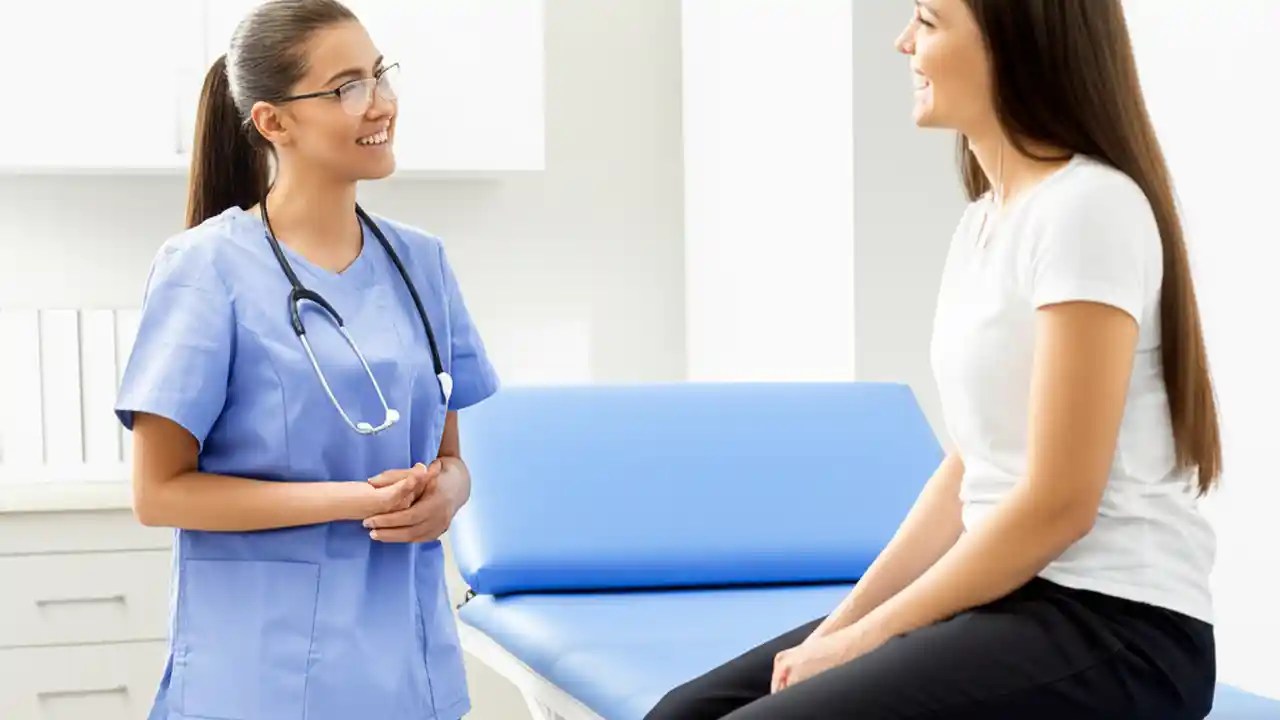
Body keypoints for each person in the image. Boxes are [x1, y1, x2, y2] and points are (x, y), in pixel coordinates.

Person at [646, 1, 1221, 718]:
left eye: (927, 20)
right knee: (683, 713)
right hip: (1012, 600)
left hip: (1115, 626)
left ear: (1014, 42)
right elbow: (970, 466)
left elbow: (1059, 505)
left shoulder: (1090, 209)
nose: (903, 42)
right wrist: (841, 628)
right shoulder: (986, 221)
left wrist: (867, 642)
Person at [113, 1, 498, 718]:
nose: (380, 103)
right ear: (273, 122)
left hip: (408, 668)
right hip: (265, 673)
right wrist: (355, 501)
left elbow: (449, 457)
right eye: (347, 86)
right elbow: (159, 492)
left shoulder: (421, 263)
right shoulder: (206, 269)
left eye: (380, 74)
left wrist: (449, 493)